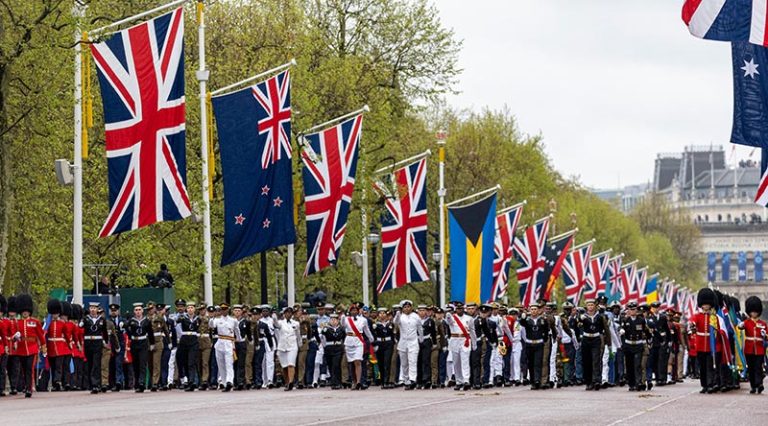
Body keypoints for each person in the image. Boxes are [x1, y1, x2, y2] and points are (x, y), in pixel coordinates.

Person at [10, 294, 45, 398]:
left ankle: (29, 388)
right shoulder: (17, 323)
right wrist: (15, 337)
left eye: (27, 311)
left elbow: (40, 335)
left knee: (29, 368)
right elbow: (13, 337)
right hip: (21, 349)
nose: (25, 312)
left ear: (29, 311)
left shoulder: (35, 322)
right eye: (23, 311)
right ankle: (26, 386)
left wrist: (44, 348)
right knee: (24, 369)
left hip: (32, 348)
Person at [576, 298, 608, 391]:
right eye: (588, 305)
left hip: (596, 339)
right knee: (587, 361)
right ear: (586, 307)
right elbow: (578, 325)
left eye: (592, 305)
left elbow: (605, 329)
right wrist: (580, 319)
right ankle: (588, 382)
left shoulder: (600, 317)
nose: (590, 307)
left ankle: (596, 381)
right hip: (586, 339)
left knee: (596, 360)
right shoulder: (583, 317)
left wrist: (608, 342)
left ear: (595, 306)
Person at [341, 303, 374, 390]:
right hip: (349, 340)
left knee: (358, 361)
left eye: (355, 310)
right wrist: (343, 315)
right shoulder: (347, 319)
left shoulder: (363, 320)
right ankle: (354, 381)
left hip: (359, 341)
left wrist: (371, 339)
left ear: (358, 311)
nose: (354, 312)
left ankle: (359, 381)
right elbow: (343, 324)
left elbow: (367, 330)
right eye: (352, 310)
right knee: (351, 363)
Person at [445, 302, 477, 390]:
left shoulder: (469, 318)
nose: (460, 310)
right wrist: (448, 314)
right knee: (456, 362)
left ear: (464, 309)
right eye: (458, 309)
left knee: (465, 360)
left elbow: (472, 331)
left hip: (465, 340)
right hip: (455, 340)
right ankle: (459, 381)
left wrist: (474, 343)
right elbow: (449, 321)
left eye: (461, 308)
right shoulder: (452, 317)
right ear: (456, 309)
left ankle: (466, 380)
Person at [692, 288, 718, 394]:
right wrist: (693, 326)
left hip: (710, 345)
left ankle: (710, 384)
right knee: (702, 366)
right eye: (704, 304)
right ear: (701, 305)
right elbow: (693, 323)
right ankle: (704, 385)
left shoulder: (713, 317)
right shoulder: (697, 316)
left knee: (709, 366)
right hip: (700, 344)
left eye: (707, 304)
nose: (706, 306)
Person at [620, 302, 650, 391]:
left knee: (637, 365)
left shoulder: (641, 320)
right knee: (629, 365)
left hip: (638, 345)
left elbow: (646, 330)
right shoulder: (625, 320)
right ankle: (631, 384)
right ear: (628, 310)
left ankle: (638, 383)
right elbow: (621, 328)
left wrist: (649, 339)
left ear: (636, 310)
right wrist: (621, 330)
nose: (632, 311)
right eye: (630, 309)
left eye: (634, 309)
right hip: (628, 345)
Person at [210, 303, 240, 392]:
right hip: (220, 342)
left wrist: (238, 339)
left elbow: (237, 330)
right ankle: (224, 382)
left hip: (229, 342)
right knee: (221, 364)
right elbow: (211, 325)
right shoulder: (217, 320)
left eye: (225, 309)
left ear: (228, 310)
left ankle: (229, 381)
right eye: (222, 309)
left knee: (229, 363)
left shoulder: (233, 320)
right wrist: (212, 317)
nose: (224, 311)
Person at [125, 303, 155, 392]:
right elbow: (127, 330)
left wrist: (152, 343)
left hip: (143, 343)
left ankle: (142, 382)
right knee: (136, 364)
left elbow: (150, 332)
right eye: (136, 310)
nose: (138, 312)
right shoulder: (131, 321)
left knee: (142, 363)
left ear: (142, 311)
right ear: (134, 311)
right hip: (134, 342)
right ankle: (137, 383)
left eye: (139, 310)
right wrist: (131, 337)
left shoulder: (146, 320)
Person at [739, 296, 766, 394]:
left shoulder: (763, 323)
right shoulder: (746, 322)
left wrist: (765, 335)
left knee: (758, 367)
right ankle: (753, 386)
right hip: (749, 349)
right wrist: (741, 325)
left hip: (759, 349)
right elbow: (740, 327)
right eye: (752, 311)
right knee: (751, 368)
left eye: (755, 312)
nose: (754, 313)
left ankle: (759, 384)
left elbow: (767, 335)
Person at [80, 302, 108, 394]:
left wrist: (106, 341)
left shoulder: (102, 319)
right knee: (90, 363)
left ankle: (96, 384)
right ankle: (92, 384)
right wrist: (82, 319)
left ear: (97, 309)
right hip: (88, 343)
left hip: (97, 343)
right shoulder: (86, 319)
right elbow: (80, 326)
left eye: (94, 308)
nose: (93, 310)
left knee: (96, 363)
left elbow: (104, 331)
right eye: (91, 308)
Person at [273, 306, 302, 391]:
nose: (288, 314)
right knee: (284, 366)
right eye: (287, 313)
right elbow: (276, 324)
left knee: (291, 364)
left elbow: (298, 334)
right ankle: (287, 382)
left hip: (292, 346)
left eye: (290, 313)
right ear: (284, 314)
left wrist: (299, 344)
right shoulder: (281, 323)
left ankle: (291, 382)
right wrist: (274, 317)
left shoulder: (296, 323)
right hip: (282, 346)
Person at [45, 299, 71, 392]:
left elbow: (66, 335)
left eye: (56, 313)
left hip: (60, 347)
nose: (55, 315)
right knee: (53, 366)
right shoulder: (48, 323)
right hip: (51, 347)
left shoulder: (62, 323)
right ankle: (54, 383)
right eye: (53, 313)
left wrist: (69, 343)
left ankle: (58, 381)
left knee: (58, 366)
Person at [177, 302, 201, 391]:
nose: (190, 309)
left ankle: (192, 381)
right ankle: (188, 379)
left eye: (192, 308)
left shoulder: (198, 319)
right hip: (184, 340)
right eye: (188, 308)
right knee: (185, 362)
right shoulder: (182, 318)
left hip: (193, 340)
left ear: (194, 309)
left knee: (192, 362)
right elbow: (176, 326)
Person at [320, 313, 345, 389]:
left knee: (336, 365)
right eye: (332, 320)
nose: (333, 321)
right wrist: (324, 347)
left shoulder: (341, 329)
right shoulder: (326, 329)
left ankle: (337, 382)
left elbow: (344, 338)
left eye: (335, 320)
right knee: (330, 365)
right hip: (329, 348)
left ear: (338, 321)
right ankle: (333, 381)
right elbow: (322, 338)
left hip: (338, 348)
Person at [416, 304, 435, 389]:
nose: (422, 312)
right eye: (420, 311)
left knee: (426, 360)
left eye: (423, 310)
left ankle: (427, 379)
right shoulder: (415, 320)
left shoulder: (430, 321)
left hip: (426, 340)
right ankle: (419, 380)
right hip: (417, 341)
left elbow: (433, 332)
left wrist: (434, 343)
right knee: (418, 360)